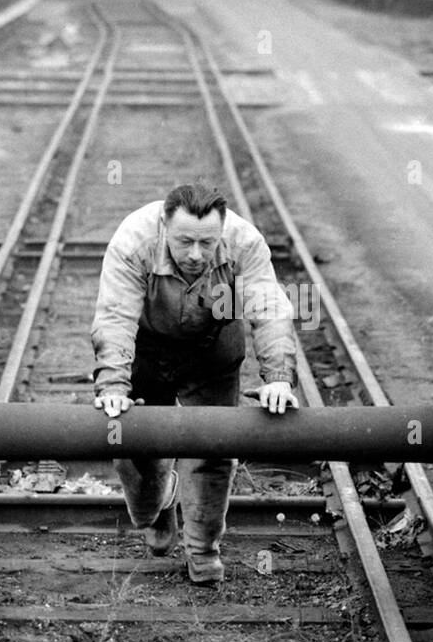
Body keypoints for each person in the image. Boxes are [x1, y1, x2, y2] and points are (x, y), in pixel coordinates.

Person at [91, 182, 298, 585]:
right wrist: (114, 385)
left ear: (222, 232)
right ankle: (157, 504)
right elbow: (115, 316)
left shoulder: (244, 242)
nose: (196, 254)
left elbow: (270, 307)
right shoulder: (134, 240)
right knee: (131, 445)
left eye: (207, 243)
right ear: (164, 226)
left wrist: (277, 378)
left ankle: (203, 550)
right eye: (185, 241)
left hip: (212, 351)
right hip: (146, 352)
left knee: (214, 450)